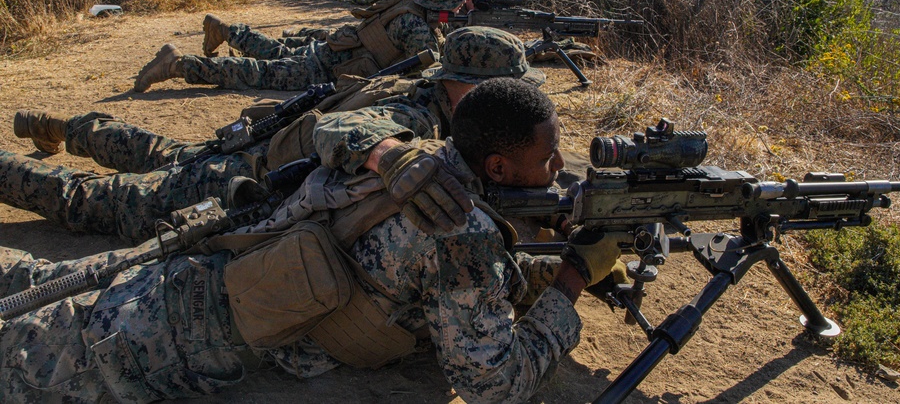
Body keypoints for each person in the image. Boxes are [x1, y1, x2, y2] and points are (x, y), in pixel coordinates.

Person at [0, 78, 623, 403]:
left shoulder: (421, 161)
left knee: (26, 278)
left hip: (196, 263)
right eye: (549, 157)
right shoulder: (463, 235)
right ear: (496, 167)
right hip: (157, 338)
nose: (558, 166)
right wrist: (572, 278)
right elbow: (496, 385)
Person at [4, 27, 544, 243]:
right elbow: (341, 127)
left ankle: (59, 127)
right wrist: (391, 157)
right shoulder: (418, 112)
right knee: (97, 203)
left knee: (155, 151)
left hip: (255, 153)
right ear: (463, 83)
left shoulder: (439, 101)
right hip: (242, 178)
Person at [133, 0, 473, 93]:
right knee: (255, 74)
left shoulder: (409, 6)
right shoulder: (417, 30)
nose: (460, 7)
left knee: (277, 54)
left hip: (331, 52)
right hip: (324, 68)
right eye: (457, 2)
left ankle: (226, 30)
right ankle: (177, 65)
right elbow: (430, 76)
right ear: (439, 3)